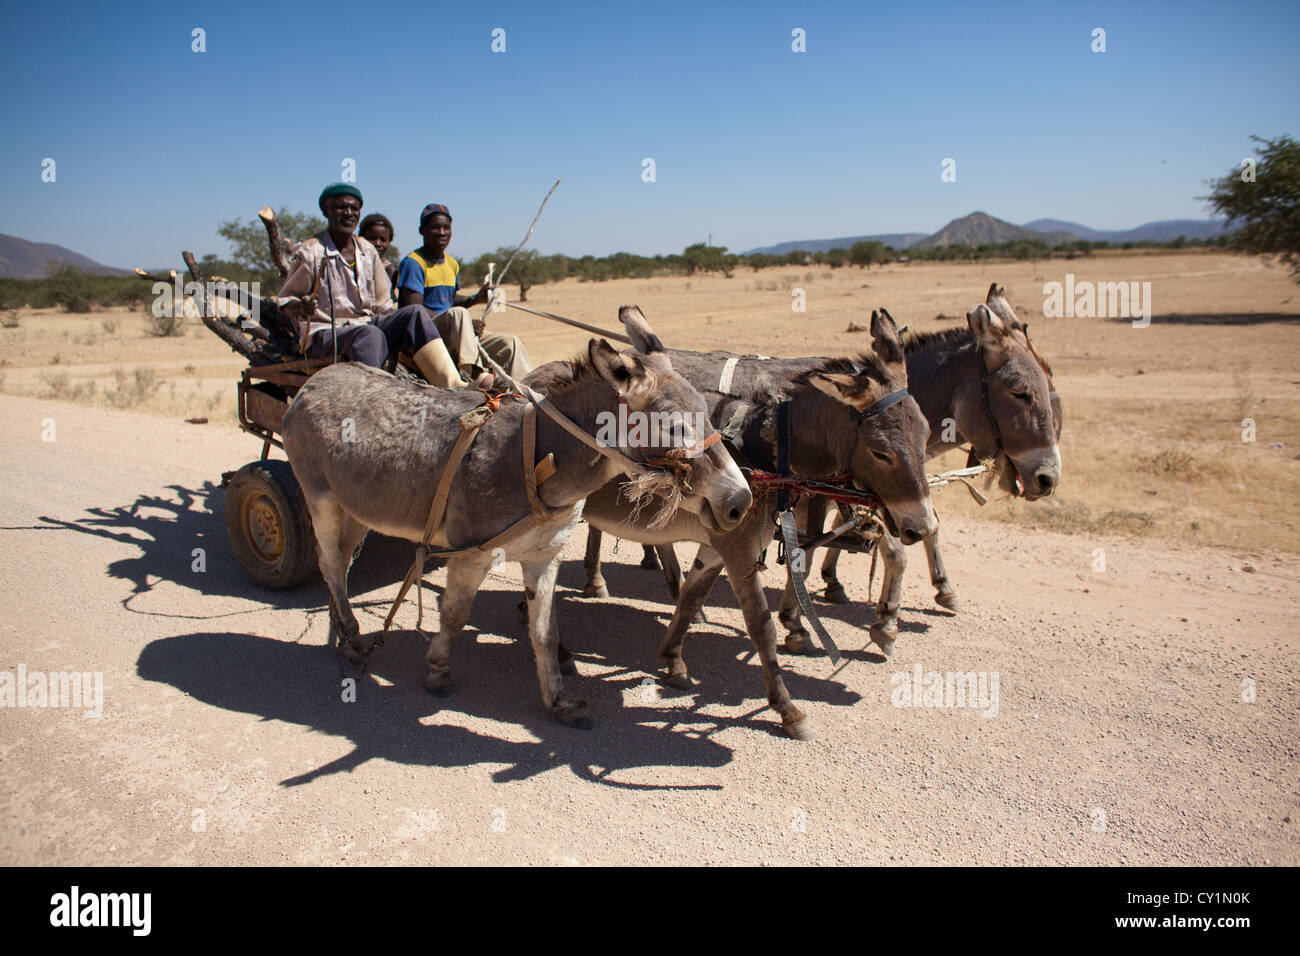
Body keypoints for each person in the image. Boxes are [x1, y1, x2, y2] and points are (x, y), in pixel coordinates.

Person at [275, 184, 469, 389]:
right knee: (370, 334)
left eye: (354, 208)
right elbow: (287, 300)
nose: (349, 213)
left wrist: (394, 325)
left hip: (366, 323)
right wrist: (301, 306)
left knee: (415, 313)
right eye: (341, 207)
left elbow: (383, 305)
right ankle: (374, 400)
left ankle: (452, 385)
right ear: (326, 211)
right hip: (325, 333)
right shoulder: (311, 252)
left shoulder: (367, 251)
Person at [396, 203, 532, 383]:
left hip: (454, 332)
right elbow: (415, 310)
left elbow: (450, 299)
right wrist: (464, 323)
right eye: (435, 227)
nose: (442, 232)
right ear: (422, 231)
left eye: (446, 227)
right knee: (459, 315)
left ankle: (526, 390)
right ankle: (473, 375)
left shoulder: (452, 263)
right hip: (425, 335)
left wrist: (475, 299)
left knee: (510, 342)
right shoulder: (413, 263)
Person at [358, 213, 398, 285]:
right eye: (372, 238)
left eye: (383, 240)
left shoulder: (389, 270)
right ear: (361, 238)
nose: (378, 243)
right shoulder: (354, 263)